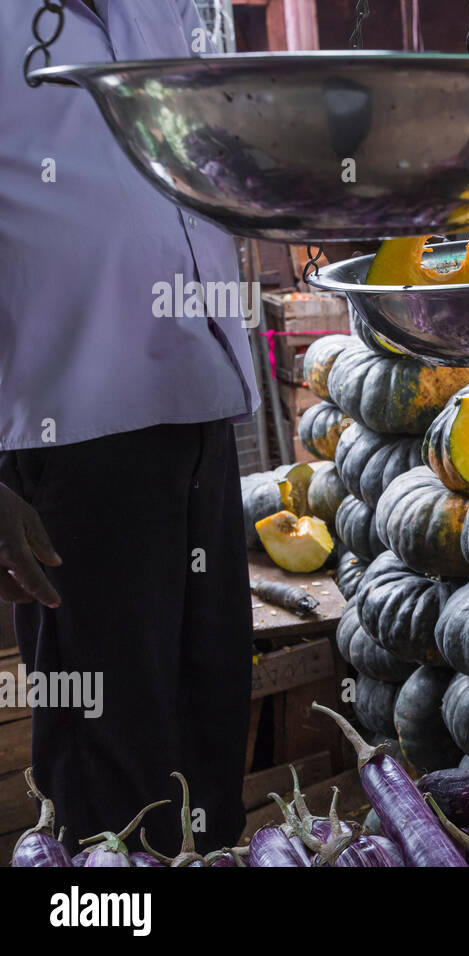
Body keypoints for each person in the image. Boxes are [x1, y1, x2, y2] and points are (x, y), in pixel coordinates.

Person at [0, 0, 258, 852]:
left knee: (210, 715)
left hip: (201, 404)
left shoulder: (165, 9)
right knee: (113, 763)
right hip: (68, 435)